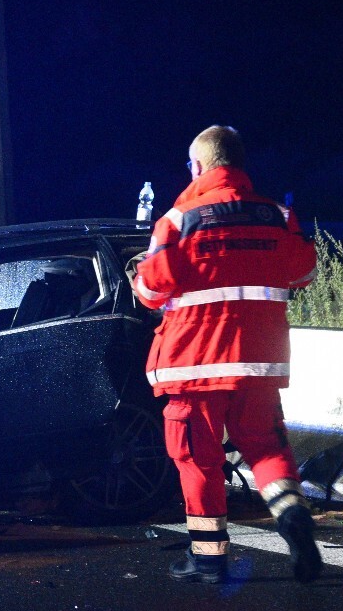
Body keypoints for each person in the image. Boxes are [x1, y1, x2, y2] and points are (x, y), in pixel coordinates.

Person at [132, 125, 322, 584]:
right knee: (267, 448)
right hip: (259, 362)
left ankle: (209, 559)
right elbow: (305, 271)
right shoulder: (277, 214)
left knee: (197, 458)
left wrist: (139, 275)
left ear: (198, 166)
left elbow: (152, 288)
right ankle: (293, 515)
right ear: (238, 164)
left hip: (194, 364)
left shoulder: (179, 219)